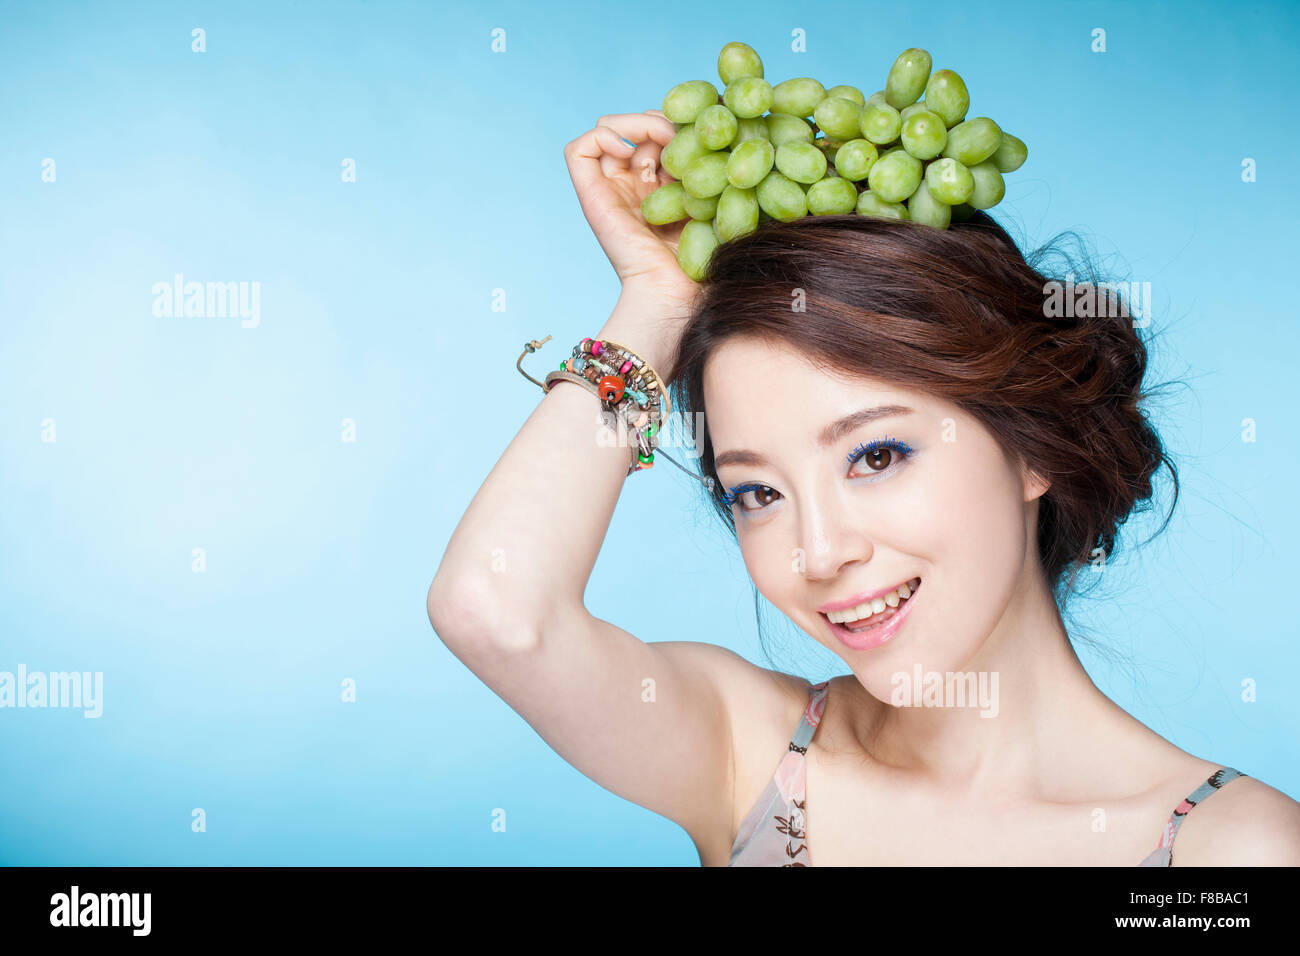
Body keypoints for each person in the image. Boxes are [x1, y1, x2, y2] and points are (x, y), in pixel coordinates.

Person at [426, 109, 1300, 866]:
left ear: (1033, 450)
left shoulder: (1227, 854)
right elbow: (494, 610)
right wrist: (654, 307)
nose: (820, 551)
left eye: (876, 455)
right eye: (756, 493)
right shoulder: (752, 757)